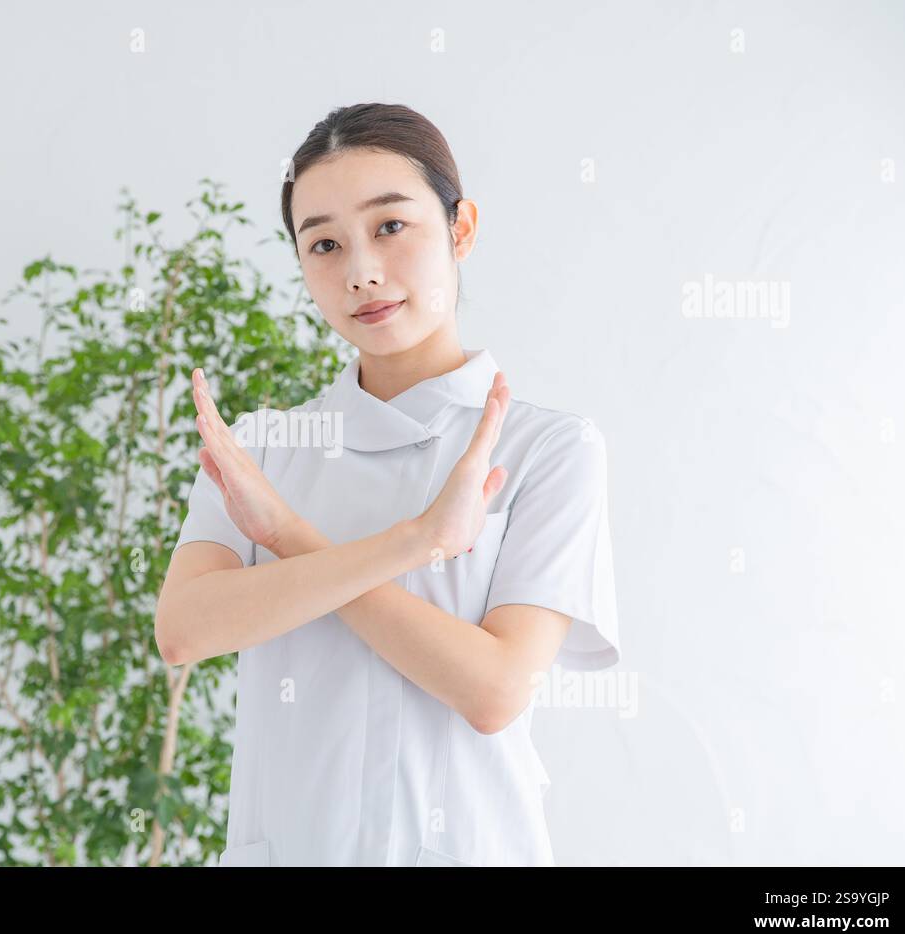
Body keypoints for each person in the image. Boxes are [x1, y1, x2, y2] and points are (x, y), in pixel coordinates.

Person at [154, 103, 620, 866]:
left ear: (460, 228)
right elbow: (185, 630)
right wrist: (413, 543)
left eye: (391, 227)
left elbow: (494, 691)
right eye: (325, 244)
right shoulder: (264, 447)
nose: (361, 271)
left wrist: (289, 537)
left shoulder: (548, 449)